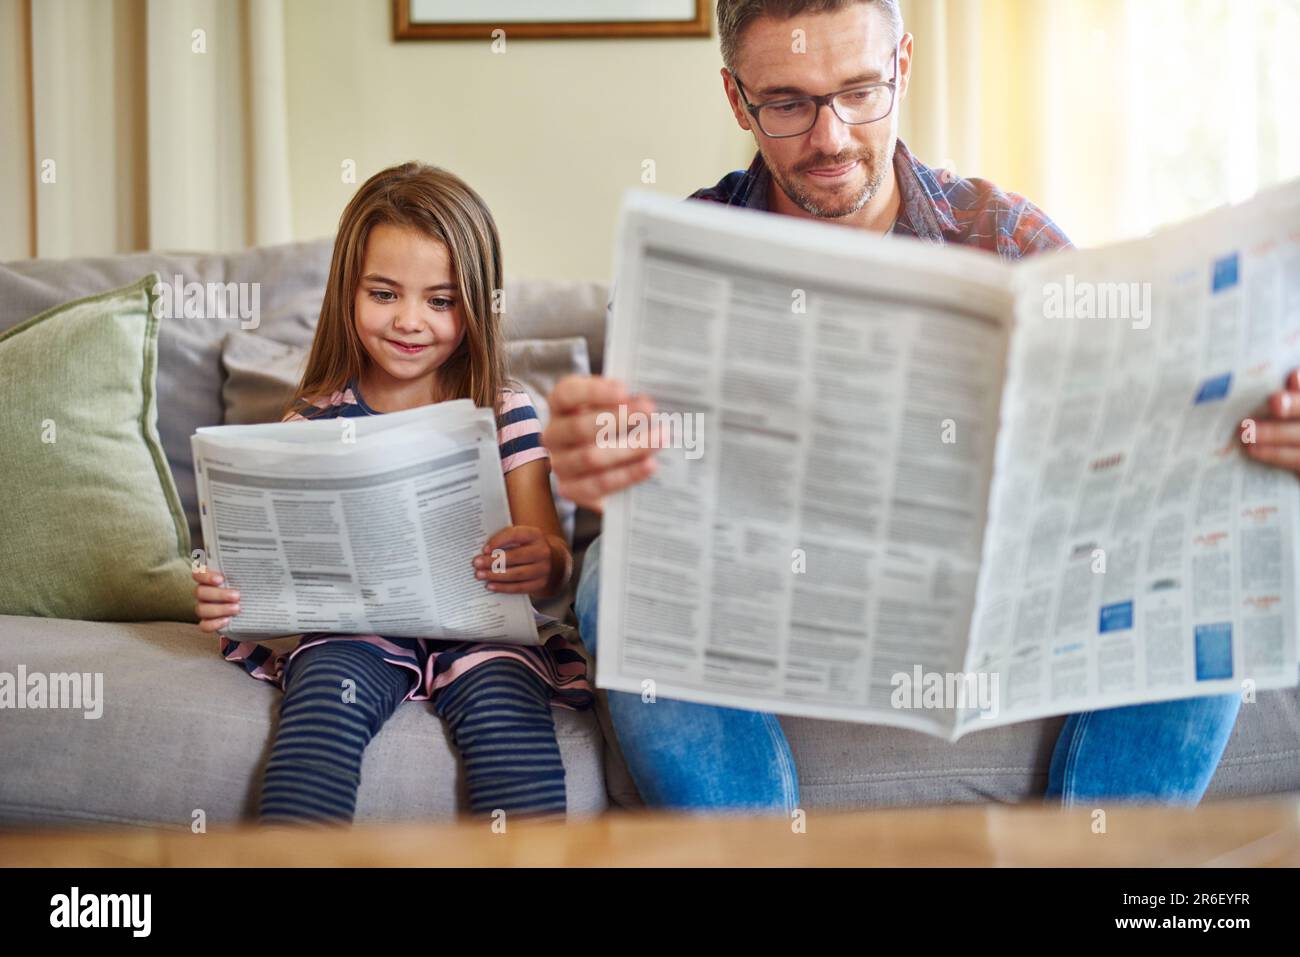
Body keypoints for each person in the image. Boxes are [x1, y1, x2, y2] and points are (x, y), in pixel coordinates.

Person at [542, 0, 1251, 811]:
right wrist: (593, 471)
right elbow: (635, 480)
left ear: (904, 67)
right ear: (738, 100)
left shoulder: (1003, 234)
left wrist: (1240, 426)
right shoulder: (681, 251)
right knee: (613, 577)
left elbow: (1140, 417)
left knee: (1209, 552)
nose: (831, 137)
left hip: (986, 588)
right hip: (773, 589)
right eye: (788, 103)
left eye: (860, 91)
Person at [193, 162, 592, 825]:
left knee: (511, 728)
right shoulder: (313, 421)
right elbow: (266, 567)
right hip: (356, 630)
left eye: (440, 301)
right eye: (384, 294)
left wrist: (540, 558)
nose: (411, 321)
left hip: (481, 629)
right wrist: (224, 587)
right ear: (346, 292)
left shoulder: (504, 410)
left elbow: (553, 557)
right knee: (317, 722)